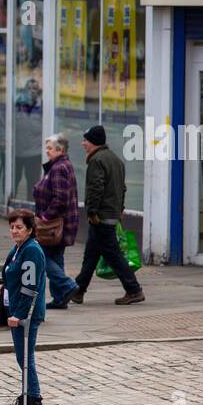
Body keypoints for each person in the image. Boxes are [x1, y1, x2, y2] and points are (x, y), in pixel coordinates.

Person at [70, 125, 144, 305]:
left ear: (94, 142)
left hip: (101, 215)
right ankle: (78, 290)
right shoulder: (115, 160)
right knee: (91, 254)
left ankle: (134, 289)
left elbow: (96, 187)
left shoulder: (97, 160)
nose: (82, 143)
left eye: (85, 140)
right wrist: (120, 210)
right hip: (111, 213)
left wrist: (92, 211)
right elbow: (122, 188)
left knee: (113, 255)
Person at [0, 209, 47, 405]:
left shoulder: (31, 251)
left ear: (29, 229)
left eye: (19, 227)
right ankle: (28, 400)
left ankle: (33, 402)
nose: (14, 231)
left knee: (25, 358)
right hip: (16, 307)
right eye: (12, 227)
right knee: (23, 357)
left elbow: (30, 285)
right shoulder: (18, 249)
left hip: (26, 312)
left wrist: (20, 315)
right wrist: (5, 286)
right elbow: (12, 273)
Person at [32, 134, 80, 309]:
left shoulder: (59, 168)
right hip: (60, 223)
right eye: (47, 148)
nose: (47, 151)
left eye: (50, 148)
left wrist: (45, 217)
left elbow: (60, 198)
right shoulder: (59, 166)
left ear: (60, 150)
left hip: (54, 224)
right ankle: (60, 297)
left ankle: (67, 285)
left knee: (41, 256)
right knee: (55, 257)